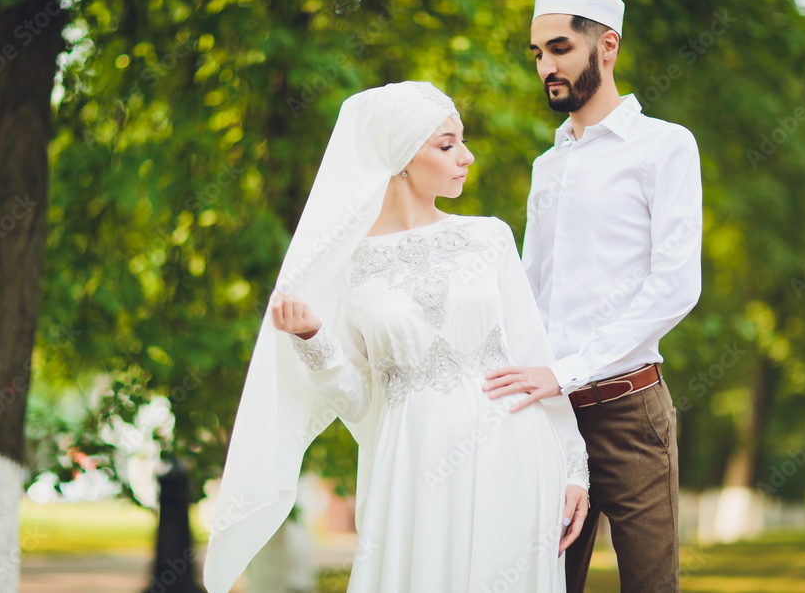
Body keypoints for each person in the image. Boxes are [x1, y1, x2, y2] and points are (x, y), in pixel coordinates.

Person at [202, 81, 590, 593]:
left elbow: (534, 358)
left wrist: (573, 467)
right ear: (401, 156)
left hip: (514, 455)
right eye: (446, 144)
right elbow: (362, 403)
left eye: (462, 140)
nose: (466, 156)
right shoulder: (350, 266)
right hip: (414, 466)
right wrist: (313, 338)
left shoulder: (489, 236)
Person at [482, 0, 702, 592]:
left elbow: (676, 285)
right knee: (544, 582)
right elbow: (532, 287)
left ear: (607, 47)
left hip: (630, 412)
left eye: (559, 48)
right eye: (536, 53)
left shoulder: (666, 147)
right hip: (550, 415)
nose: (546, 67)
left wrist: (573, 367)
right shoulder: (547, 165)